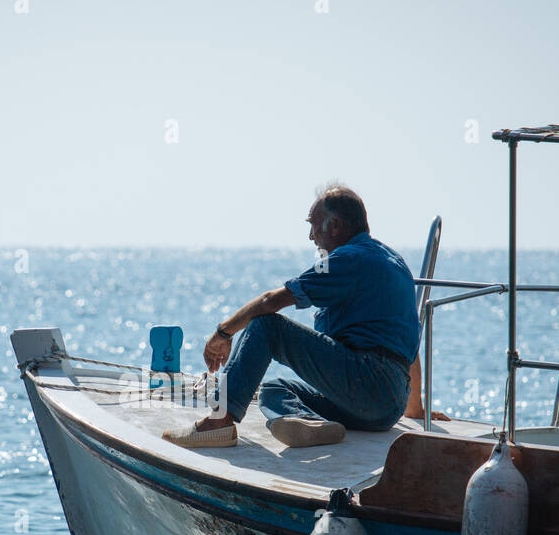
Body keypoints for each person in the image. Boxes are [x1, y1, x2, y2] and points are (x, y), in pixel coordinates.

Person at [162, 182, 443, 449]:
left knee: (266, 326)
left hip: (365, 385)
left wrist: (223, 332)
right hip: (386, 410)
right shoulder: (395, 263)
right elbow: (407, 344)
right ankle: (309, 422)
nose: (311, 236)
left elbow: (272, 301)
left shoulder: (348, 259)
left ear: (334, 225)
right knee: (275, 389)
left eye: (313, 224)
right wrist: (414, 409)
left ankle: (219, 423)